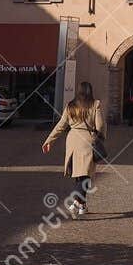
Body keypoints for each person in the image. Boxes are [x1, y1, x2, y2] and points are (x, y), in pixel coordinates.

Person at [43, 81, 105, 216]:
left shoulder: (70, 106)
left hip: (72, 140)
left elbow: (61, 125)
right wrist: (101, 137)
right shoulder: (95, 104)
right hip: (87, 140)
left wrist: (49, 140)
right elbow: (100, 126)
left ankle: (83, 206)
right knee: (85, 174)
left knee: (78, 174)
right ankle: (76, 203)